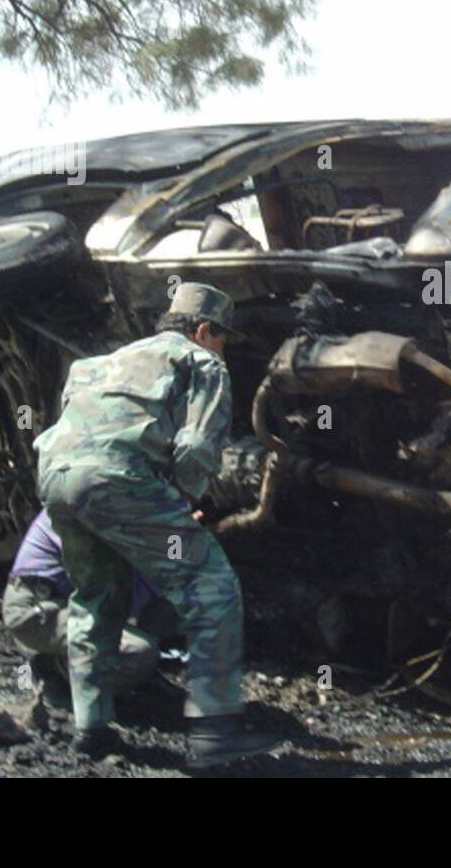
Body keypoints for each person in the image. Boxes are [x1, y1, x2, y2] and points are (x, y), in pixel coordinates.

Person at [35, 282, 283, 768]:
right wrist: (183, 500)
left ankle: (92, 726)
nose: (222, 348)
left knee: (95, 596)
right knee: (212, 587)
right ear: (205, 330)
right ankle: (216, 735)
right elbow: (196, 447)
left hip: (56, 479)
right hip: (118, 483)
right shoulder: (203, 363)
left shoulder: (97, 363)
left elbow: (76, 427)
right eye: (222, 338)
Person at [3, 508, 180, 708]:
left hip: (80, 603)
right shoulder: (79, 506)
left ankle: (142, 676)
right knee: (138, 653)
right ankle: (50, 669)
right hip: (38, 610)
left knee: (173, 601)